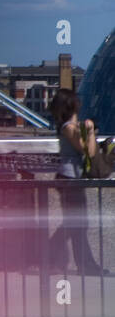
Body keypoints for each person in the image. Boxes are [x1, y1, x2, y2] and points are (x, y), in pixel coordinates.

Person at [47, 89, 110, 276]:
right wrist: (89, 132)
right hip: (68, 180)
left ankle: (55, 260)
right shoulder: (68, 127)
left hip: (74, 179)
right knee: (76, 224)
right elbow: (83, 148)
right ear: (73, 105)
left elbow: (90, 152)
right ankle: (73, 262)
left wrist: (89, 132)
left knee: (76, 224)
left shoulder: (75, 127)